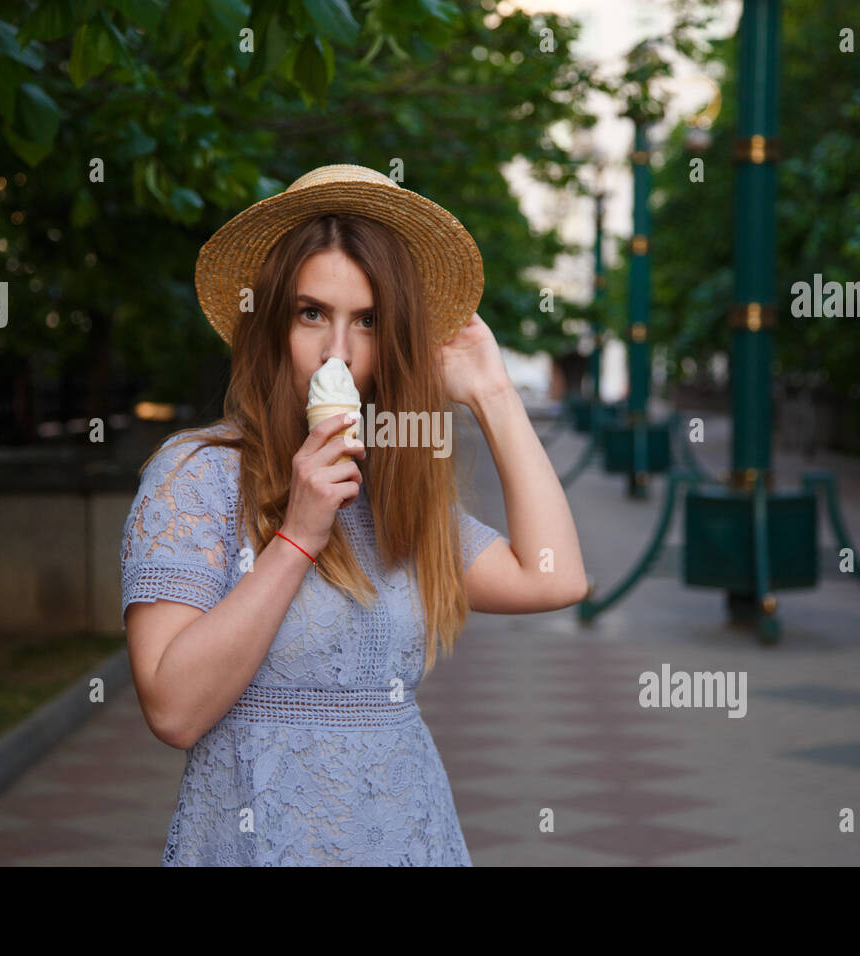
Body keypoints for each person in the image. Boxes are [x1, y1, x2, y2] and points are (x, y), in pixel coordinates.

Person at [120, 164, 588, 865]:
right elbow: (173, 710)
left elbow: (554, 579)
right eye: (312, 313)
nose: (337, 351)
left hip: (406, 837)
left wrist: (493, 393)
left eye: (366, 322)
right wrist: (299, 535)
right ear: (273, 323)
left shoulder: (397, 487)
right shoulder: (196, 475)